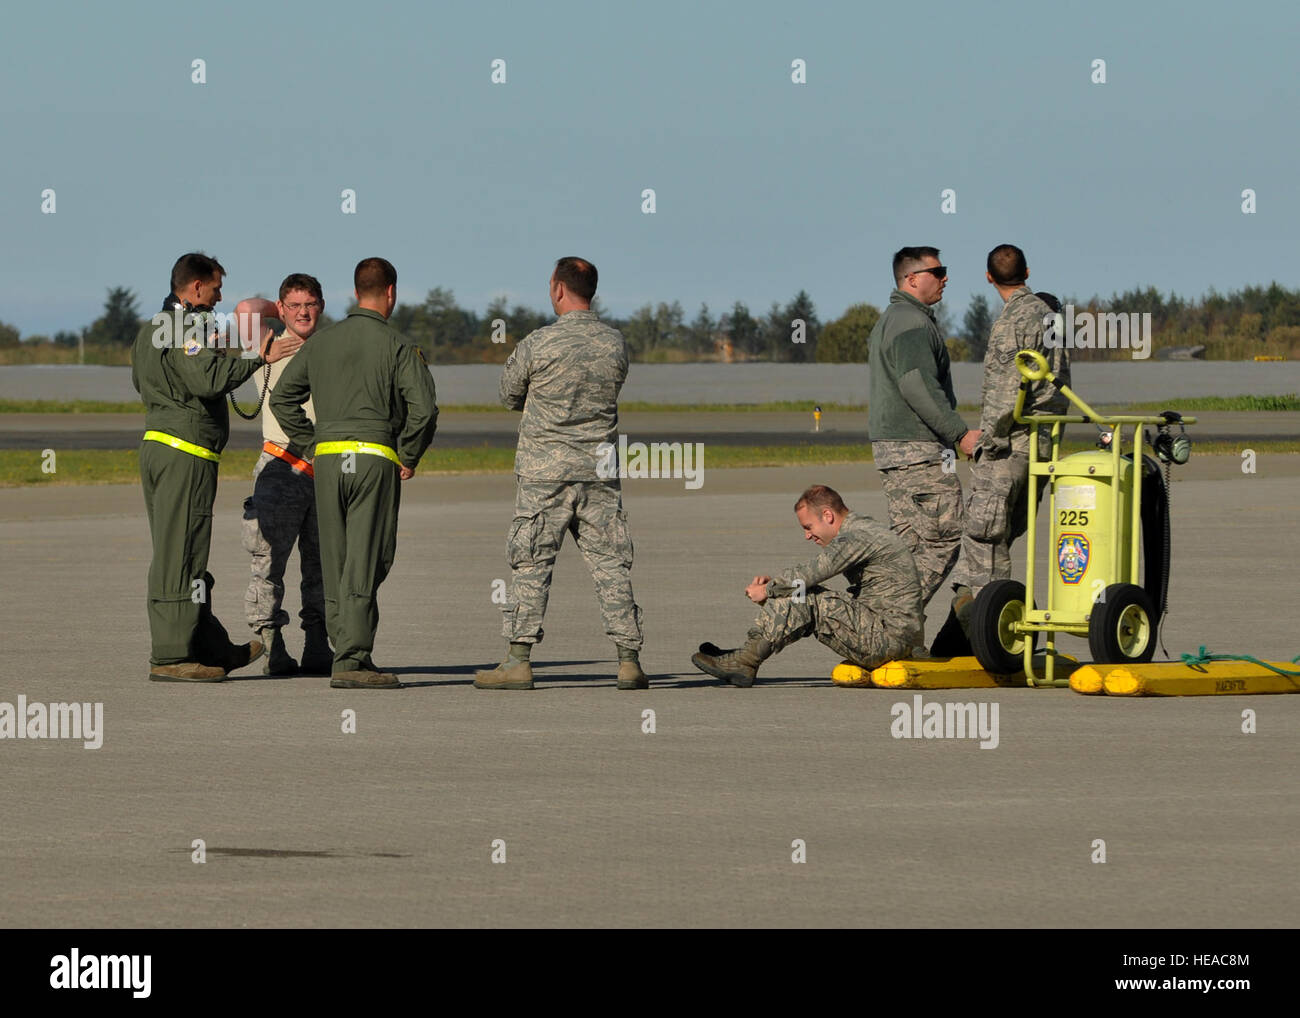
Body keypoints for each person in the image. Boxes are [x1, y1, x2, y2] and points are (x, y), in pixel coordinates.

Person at [475, 256, 646, 692]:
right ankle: (628, 661)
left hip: (544, 474)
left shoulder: (539, 344)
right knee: (611, 565)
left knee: (531, 564)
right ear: (592, 292)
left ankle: (518, 660)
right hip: (598, 474)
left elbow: (508, 394)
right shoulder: (615, 344)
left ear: (557, 289)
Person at [270, 257, 439, 689]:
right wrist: (409, 455)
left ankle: (342, 644)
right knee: (368, 557)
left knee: (336, 556)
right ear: (391, 293)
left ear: (354, 291)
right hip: (373, 460)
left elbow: (282, 399)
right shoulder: (399, 346)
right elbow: (423, 409)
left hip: (327, 462)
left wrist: (312, 443)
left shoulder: (320, 344)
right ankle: (353, 658)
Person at [132, 252, 299, 682]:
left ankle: (209, 646)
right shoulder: (187, 328)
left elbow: (146, 383)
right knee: (180, 554)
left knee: (187, 549)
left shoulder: (151, 329)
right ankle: (171, 656)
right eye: (217, 289)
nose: (220, 298)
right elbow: (205, 380)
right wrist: (257, 356)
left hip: (163, 447)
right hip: (184, 452)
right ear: (196, 288)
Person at [947, 245, 1072, 628]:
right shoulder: (1051, 317)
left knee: (985, 538)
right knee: (1009, 529)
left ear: (988, 277)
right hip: (1042, 445)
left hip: (1011, 447)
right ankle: (966, 629)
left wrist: (990, 440)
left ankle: (992, 628)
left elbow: (1004, 392)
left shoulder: (1012, 322)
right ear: (1028, 272)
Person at [691, 485, 923, 687]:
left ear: (828, 515)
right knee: (799, 591)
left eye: (808, 527)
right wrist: (776, 590)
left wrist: (769, 589)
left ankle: (745, 660)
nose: (807, 536)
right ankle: (747, 653)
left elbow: (812, 573)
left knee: (804, 594)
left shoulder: (858, 537)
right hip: (890, 634)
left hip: (888, 640)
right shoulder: (863, 528)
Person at [868, 247, 979, 616]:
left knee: (908, 548)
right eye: (938, 271)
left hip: (895, 451)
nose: (945, 278)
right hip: (917, 450)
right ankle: (891, 620)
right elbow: (916, 385)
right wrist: (960, 433)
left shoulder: (893, 318)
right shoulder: (911, 323)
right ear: (912, 279)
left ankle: (885, 625)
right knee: (944, 538)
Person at [235, 274, 333, 676]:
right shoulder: (267, 345)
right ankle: (271, 648)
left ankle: (317, 646)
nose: (304, 312)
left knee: (324, 565)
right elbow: (244, 310)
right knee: (268, 562)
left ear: (322, 306)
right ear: (280, 308)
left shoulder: (332, 348)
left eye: (310, 304)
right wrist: (278, 322)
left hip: (323, 470)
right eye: (294, 305)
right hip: (280, 466)